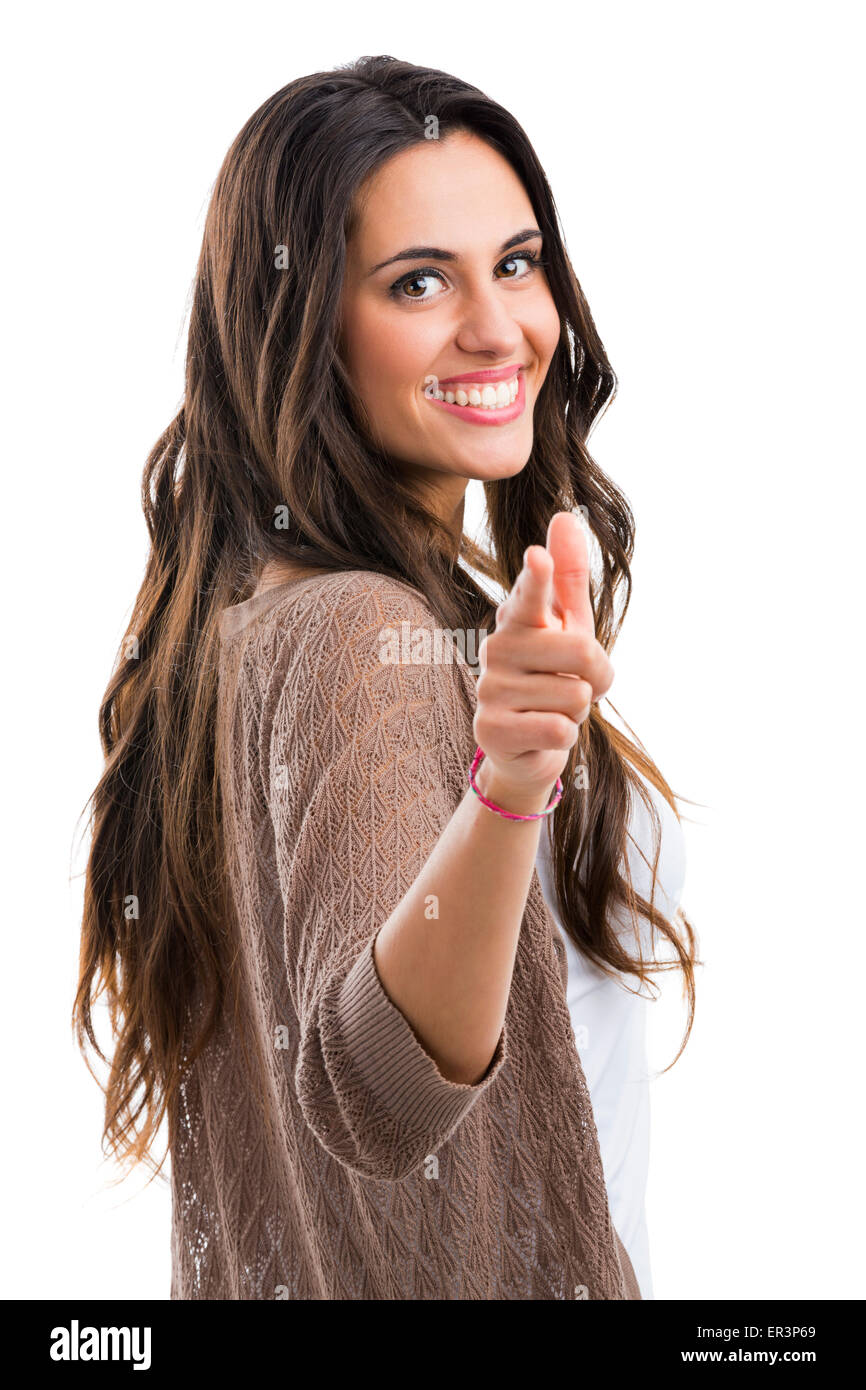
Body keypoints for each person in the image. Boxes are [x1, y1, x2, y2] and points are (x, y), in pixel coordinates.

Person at [75, 56, 698, 1300]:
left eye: (516, 264)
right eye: (418, 281)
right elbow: (374, 1089)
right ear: (302, 325)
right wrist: (510, 788)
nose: (497, 327)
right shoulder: (360, 632)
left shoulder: (244, 621)